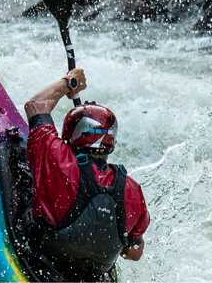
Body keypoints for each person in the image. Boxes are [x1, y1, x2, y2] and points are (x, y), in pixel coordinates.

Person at [20, 67, 149, 282]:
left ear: (72, 132)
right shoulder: (132, 189)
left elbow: (35, 105)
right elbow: (134, 253)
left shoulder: (55, 157)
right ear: (111, 142)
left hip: (42, 266)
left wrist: (69, 82)